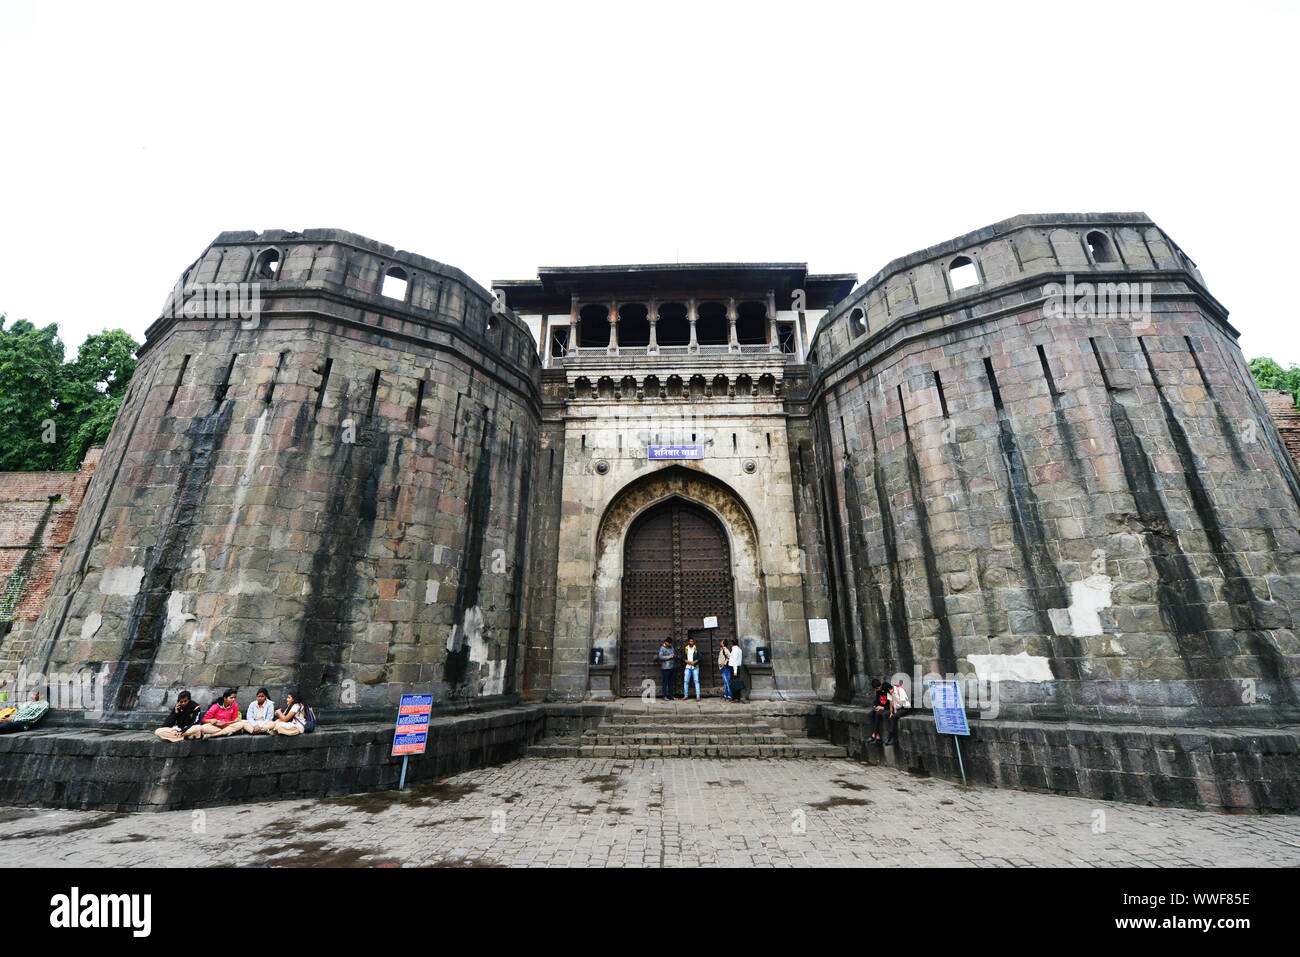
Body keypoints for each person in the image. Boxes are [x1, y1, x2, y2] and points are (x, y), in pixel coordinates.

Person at [868, 679, 894, 744]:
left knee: (878, 714)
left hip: (887, 708)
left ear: (880, 686)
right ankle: (877, 736)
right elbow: (876, 700)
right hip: (880, 707)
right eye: (876, 689)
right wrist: (875, 706)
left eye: (877, 688)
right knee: (870, 714)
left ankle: (874, 734)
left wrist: (883, 707)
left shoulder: (887, 688)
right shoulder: (878, 691)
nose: (877, 690)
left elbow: (892, 703)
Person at [885, 680, 910, 745]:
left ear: (890, 689)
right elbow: (891, 703)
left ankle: (891, 737)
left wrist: (894, 696)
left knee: (894, 717)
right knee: (886, 714)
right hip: (897, 708)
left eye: (888, 692)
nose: (889, 694)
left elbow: (901, 704)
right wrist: (891, 712)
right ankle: (890, 736)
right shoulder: (889, 692)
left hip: (904, 708)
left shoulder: (900, 690)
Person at [682, 636, 701, 701]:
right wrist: (687, 661)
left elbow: (700, 658)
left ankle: (698, 696)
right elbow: (683, 658)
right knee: (686, 681)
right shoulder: (686, 649)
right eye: (690, 641)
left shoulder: (696, 649)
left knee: (696, 681)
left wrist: (695, 661)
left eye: (692, 641)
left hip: (695, 667)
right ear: (688, 642)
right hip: (687, 667)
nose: (691, 642)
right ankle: (686, 695)